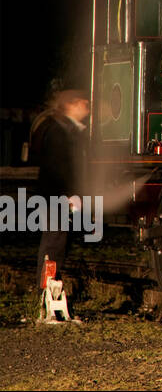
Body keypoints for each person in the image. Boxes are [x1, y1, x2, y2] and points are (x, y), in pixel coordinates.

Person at [28, 89, 90, 290]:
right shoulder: (60, 131)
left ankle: (49, 287)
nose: (86, 107)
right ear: (71, 105)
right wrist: (69, 193)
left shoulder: (65, 129)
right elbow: (59, 166)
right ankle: (46, 289)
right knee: (54, 244)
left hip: (56, 194)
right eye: (83, 103)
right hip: (56, 196)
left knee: (57, 243)